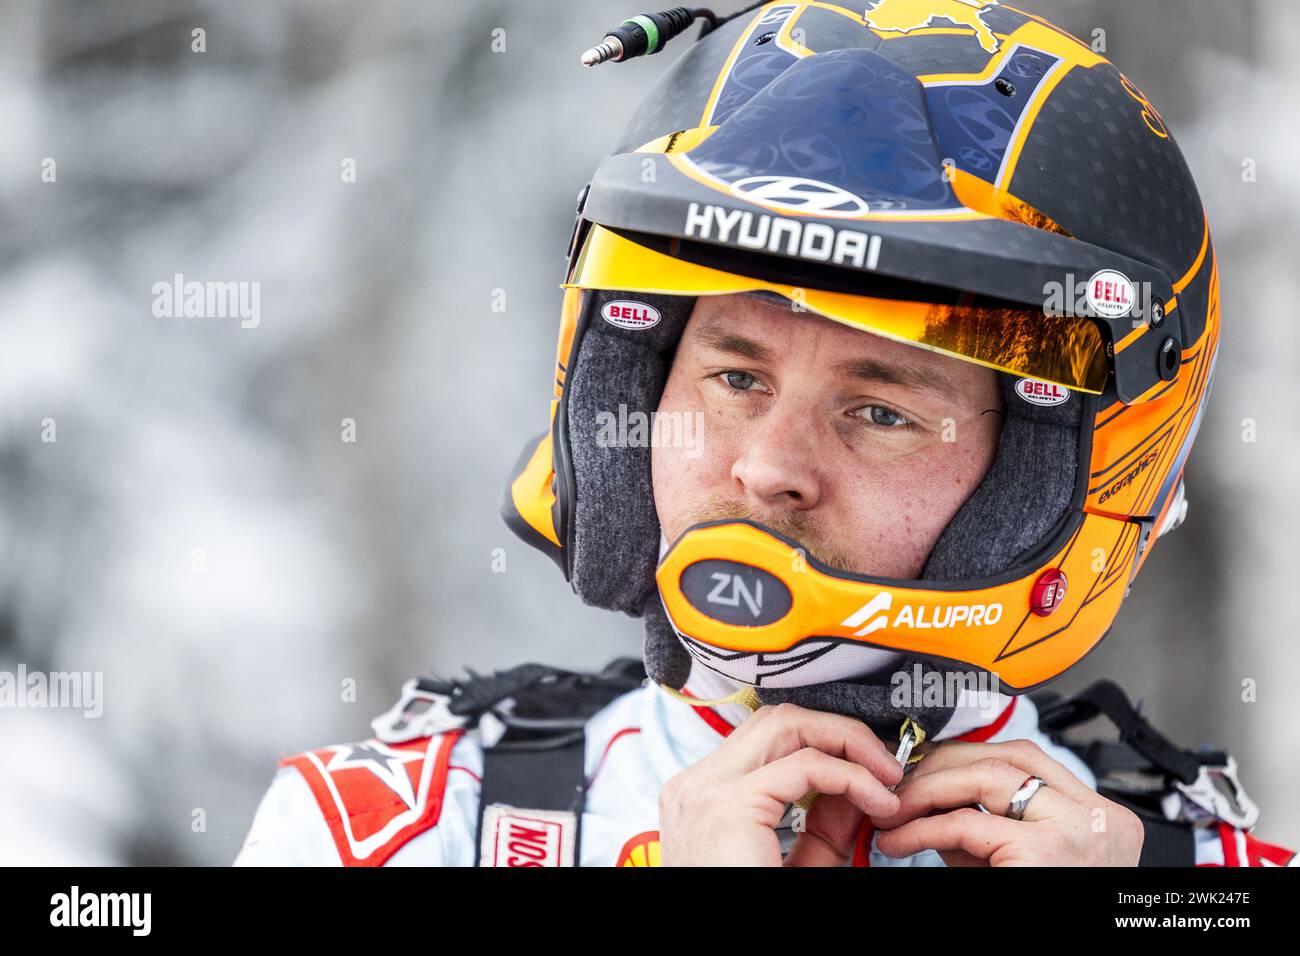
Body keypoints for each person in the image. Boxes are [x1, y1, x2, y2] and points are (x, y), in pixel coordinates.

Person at [235, 0, 1296, 867]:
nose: (768, 465)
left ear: (1056, 475)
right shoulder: (379, 830)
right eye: (734, 376)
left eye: (880, 412)